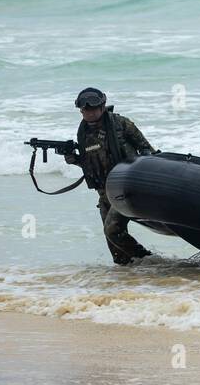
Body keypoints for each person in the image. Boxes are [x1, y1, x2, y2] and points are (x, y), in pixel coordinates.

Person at [62, 87, 154, 265]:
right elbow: (90, 164)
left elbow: (147, 151)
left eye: (92, 108)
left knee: (111, 230)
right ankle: (131, 282)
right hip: (104, 193)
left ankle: (150, 261)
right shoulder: (83, 134)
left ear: (102, 106)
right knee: (117, 254)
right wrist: (75, 160)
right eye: (85, 109)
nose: (88, 112)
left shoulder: (121, 124)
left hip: (126, 188)